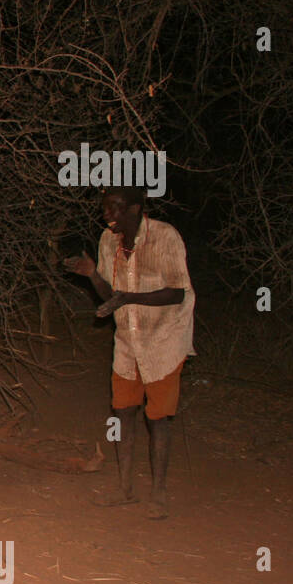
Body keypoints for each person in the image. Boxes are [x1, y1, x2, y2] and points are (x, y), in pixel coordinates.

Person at [64, 186, 194, 519]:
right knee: (123, 412)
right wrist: (92, 273)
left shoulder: (166, 238)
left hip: (163, 339)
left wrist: (129, 299)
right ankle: (125, 489)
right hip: (127, 340)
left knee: (158, 419)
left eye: (115, 208)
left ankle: (159, 494)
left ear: (135, 209)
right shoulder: (109, 241)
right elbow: (110, 293)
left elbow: (177, 293)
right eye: (105, 208)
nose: (107, 214)